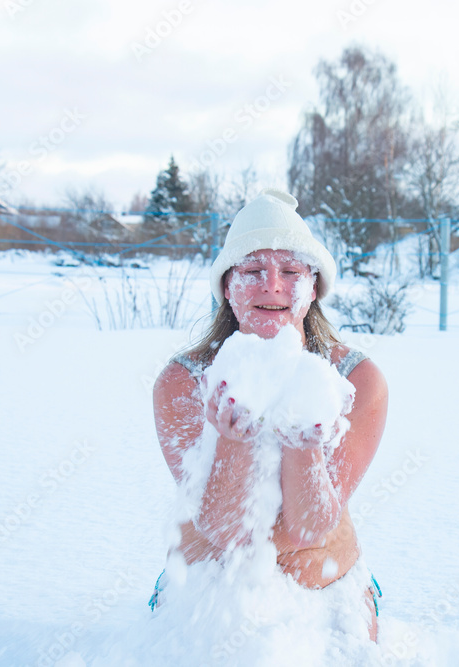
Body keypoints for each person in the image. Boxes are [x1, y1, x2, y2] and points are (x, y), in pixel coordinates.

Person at [151, 189, 389, 642]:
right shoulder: (184, 383)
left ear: (314, 285)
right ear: (227, 286)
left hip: (327, 600)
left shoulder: (356, 380)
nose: (272, 285)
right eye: (253, 270)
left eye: (291, 271)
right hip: (208, 604)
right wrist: (232, 438)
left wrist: (305, 441)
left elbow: (306, 529)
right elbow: (227, 530)